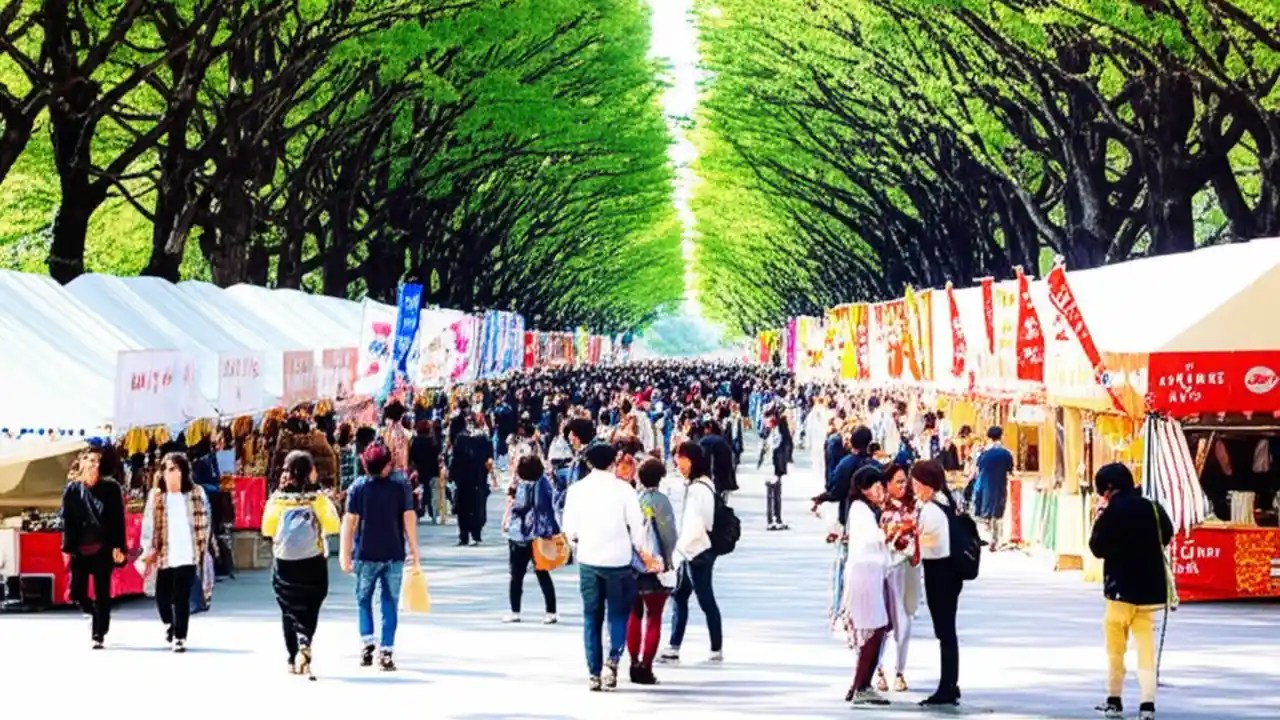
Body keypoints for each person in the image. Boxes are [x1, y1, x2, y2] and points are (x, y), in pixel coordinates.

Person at [1088, 463, 1173, 720]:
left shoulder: (1112, 511)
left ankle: (1114, 699)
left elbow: (1097, 548)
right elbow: (1166, 535)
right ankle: (1148, 704)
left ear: (1109, 489)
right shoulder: (1153, 507)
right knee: (1145, 646)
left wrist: (1100, 519)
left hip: (1120, 590)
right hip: (1150, 591)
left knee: (1116, 647)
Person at [561, 442, 647, 692]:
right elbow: (636, 526)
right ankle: (613, 659)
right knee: (618, 613)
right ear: (613, 462)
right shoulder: (624, 490)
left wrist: (578, 545)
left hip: (589, 558)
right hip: (618, 559)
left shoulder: (577, 490)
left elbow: (569, 529)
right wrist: (640, 549)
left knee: (591, 615)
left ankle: (594, 672)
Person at [340, 441, 421, 671]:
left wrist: (345, 554)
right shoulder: (400, 485)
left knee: (363, 600)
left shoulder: (358, 487)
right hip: (393, 553)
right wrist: (414, 550)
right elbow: (408, 517)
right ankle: (386, 650)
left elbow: (349, 521)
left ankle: (367, 642)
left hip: (365, 554)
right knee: (389, 602)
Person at [262, 450, 341, 680]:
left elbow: (267, 528)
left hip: (284, 561)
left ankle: (292, 656)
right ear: (308, 472)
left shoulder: (277, 499)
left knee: (288, 606)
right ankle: (305, 637)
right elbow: (333, 525)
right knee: (311, 602)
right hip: (312, 560)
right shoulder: (317, 499)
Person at [140, 452, 212, 653]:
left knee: (181, 597)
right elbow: (148, 525)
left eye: (172, 469)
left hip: (188, 554)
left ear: (182, 471)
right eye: (165, 469)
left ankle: (180, 637)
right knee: (162, 597)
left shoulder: (196, 493)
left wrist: (204, 548)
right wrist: (148, 548)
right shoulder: (157, 497)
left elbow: (205, 520)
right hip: (164, 554)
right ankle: (169, 624)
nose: (167, 473)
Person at [659, 441, 724, 664]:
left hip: (697, 552)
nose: (678, 465)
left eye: (682, 460)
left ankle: (715, 646)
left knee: (704, 598)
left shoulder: (699, 488)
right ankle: (674, 646)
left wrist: (678, 550)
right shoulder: (699, 484)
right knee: (680, 596)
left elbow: (699, 524)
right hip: (691, 551)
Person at [59, 445, 127, 649]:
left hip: (103, 547)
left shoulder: (111, 488)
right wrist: (66, 549)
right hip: (80, 548)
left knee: (102, 592)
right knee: (76, 593)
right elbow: (68, 522)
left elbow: (118, 520)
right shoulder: (72, 490)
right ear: (81, 462)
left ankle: (98, 634)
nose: (93, 464)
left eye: (97, 461)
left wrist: (119, 547)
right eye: (89, 460)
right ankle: (93, 613)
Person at [835, 466, 891, 706]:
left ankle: (860, 683)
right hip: (865, 574)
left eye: (881, 485)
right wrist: (891, 531)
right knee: (872, 630)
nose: (880, 490)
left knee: (876, 630)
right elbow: (872, 539)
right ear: (862, 489)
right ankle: (861, 685)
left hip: (870, 572)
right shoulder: (860, 510)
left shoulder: (865, 510)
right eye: (875, 486)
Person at [911, 460, 963, 707]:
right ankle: (950, 682)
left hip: (939, 571)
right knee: (947, 631)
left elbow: (919, 542)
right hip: (948, 572)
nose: (913, 487)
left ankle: (947, 686)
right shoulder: (944, 502)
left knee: (945, 632)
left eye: (915, 482)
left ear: (925, 485)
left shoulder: (932, 509)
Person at [628, 457, 677, 684]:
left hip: (633, 564)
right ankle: (646, 666)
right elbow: (669, 536)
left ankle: (633, 662)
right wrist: (667, 559)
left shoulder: (634, 499)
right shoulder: (662, 501)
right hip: (655, 566)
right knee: (654, 616)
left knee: (634, 614)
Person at [876, 464, 921, 693]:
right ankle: (879, 669)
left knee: (904, 621)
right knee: (881, 624)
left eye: (905, 482)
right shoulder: (878, 509)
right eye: (898, 482)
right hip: (883, 571)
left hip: (905, 569)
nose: (903, 486)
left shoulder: (914, 508)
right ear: (887, 484)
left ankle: (900, 671)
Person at [502, 454, 559, 624]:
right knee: (542, 573)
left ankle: (515, 611)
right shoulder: (544, 483)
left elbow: (519, 506)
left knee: (516, 575)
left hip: (520, 534)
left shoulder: (523, 485)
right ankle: (551, 612)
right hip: (540, 534)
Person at [450, 413, 497, 545]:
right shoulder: (483, 438)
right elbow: (489, 459)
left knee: (463, 505)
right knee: (477, 505)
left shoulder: (460, 437)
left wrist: (452, 475)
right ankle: (475, 533)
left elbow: (455, 458)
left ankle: (464, 534)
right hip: (478, 476)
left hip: (464, 477)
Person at [971, 426, 1014, 550]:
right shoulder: (1006, 454)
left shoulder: (984, 454)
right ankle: (995, 539)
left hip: (985, 486)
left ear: (989, 437)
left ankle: (989, 537)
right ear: (1001, 436)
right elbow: (1010, 471)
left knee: (985, 513)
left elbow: (977, 470)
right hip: (1000, 485)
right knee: (998, 513)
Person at [759, 413, 793, 530]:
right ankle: (773, 519)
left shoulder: (772, 436)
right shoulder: (773, 436)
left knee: (773, 495)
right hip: (772, 468)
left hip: (772, 468)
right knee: (774, 495)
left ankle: (775, 519)